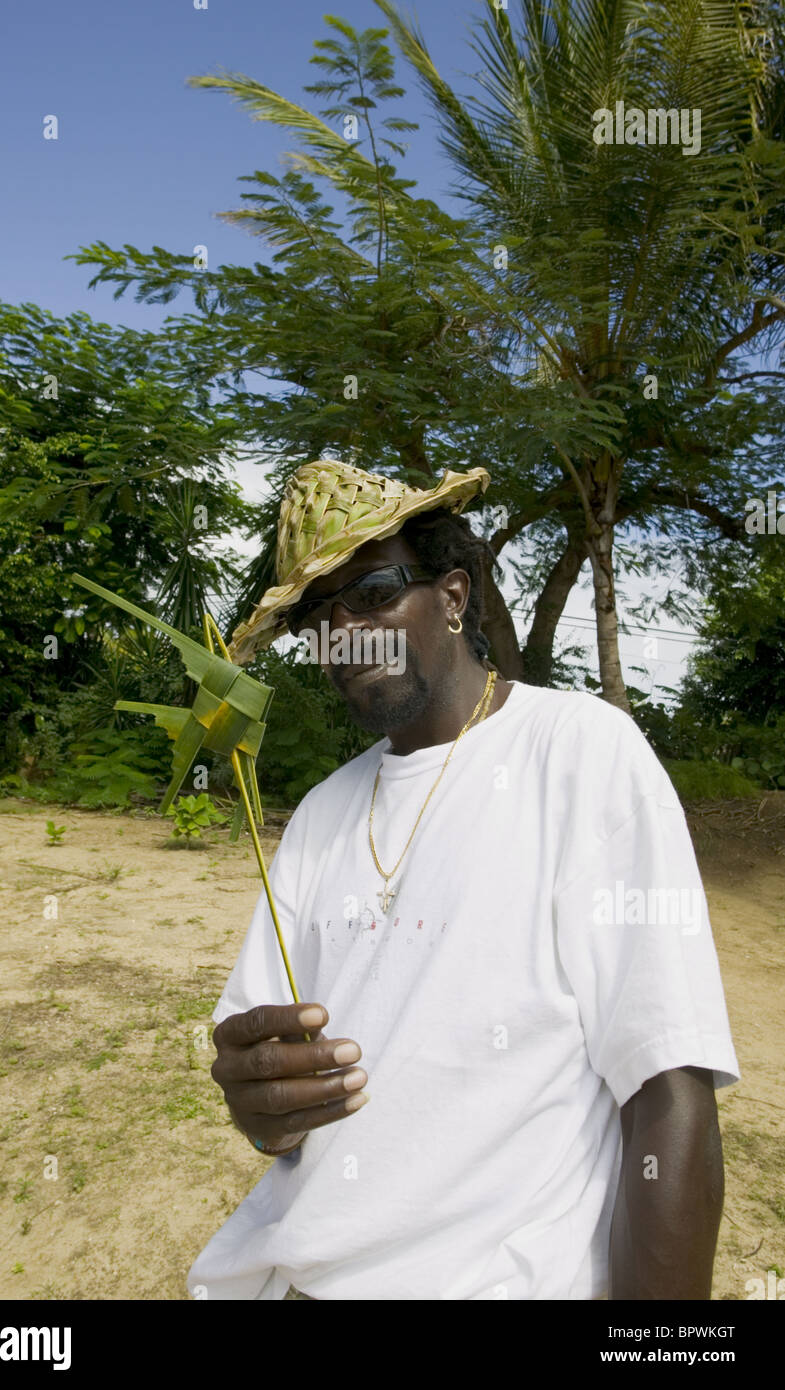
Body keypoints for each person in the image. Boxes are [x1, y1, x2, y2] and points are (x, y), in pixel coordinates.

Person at [187, 458, 740, 1301]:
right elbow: (270, 1104)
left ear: (451, 596)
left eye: (372, 593)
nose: (345, 634)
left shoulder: (581, 751)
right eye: (318, 615)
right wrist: (256, 1106)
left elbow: (666, 1083)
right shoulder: (321, 814)